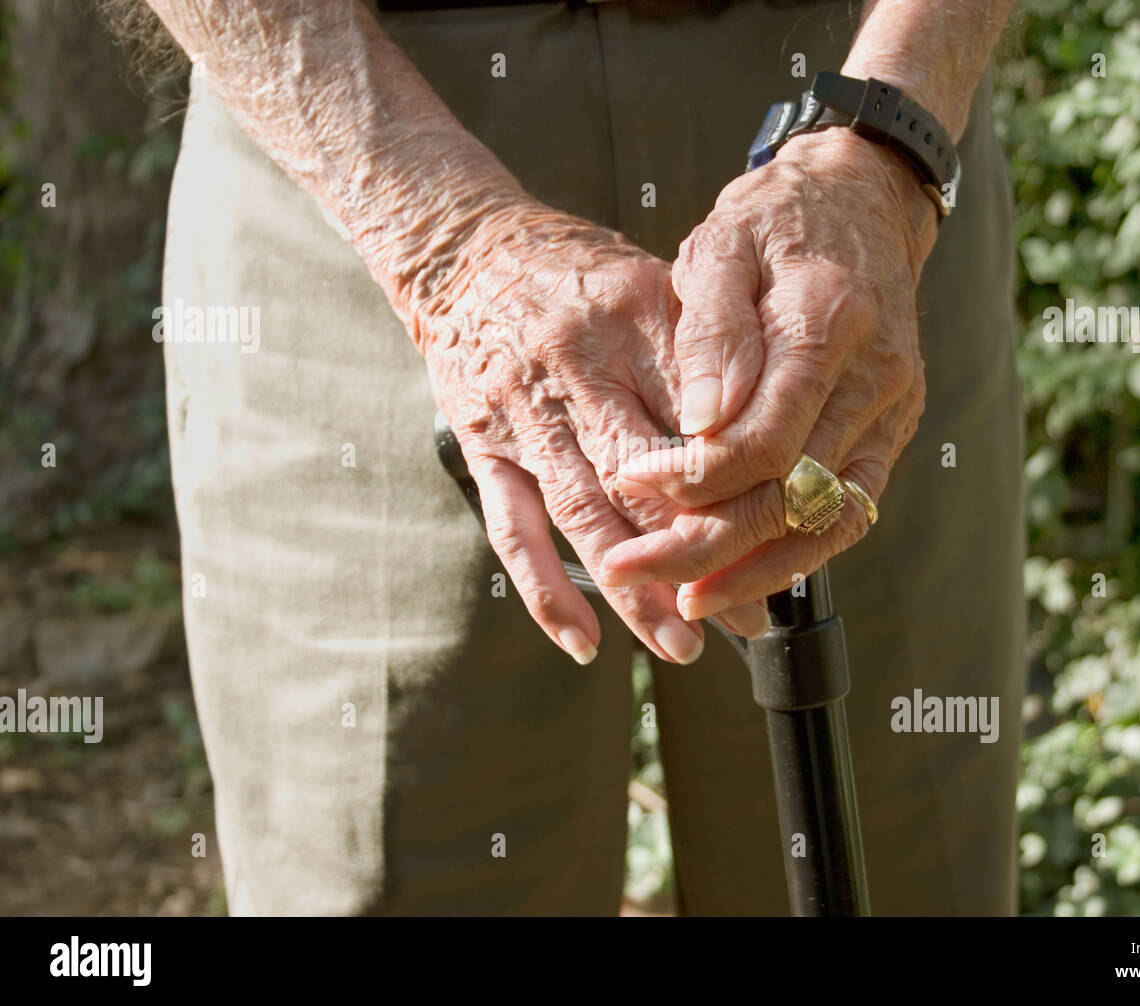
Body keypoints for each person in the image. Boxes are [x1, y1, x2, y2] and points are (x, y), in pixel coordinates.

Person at [138, 0, 1024, 914]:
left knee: (892, 873)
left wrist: (891, 135)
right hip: (348, 133)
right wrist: (446, 250)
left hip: (855, 131)